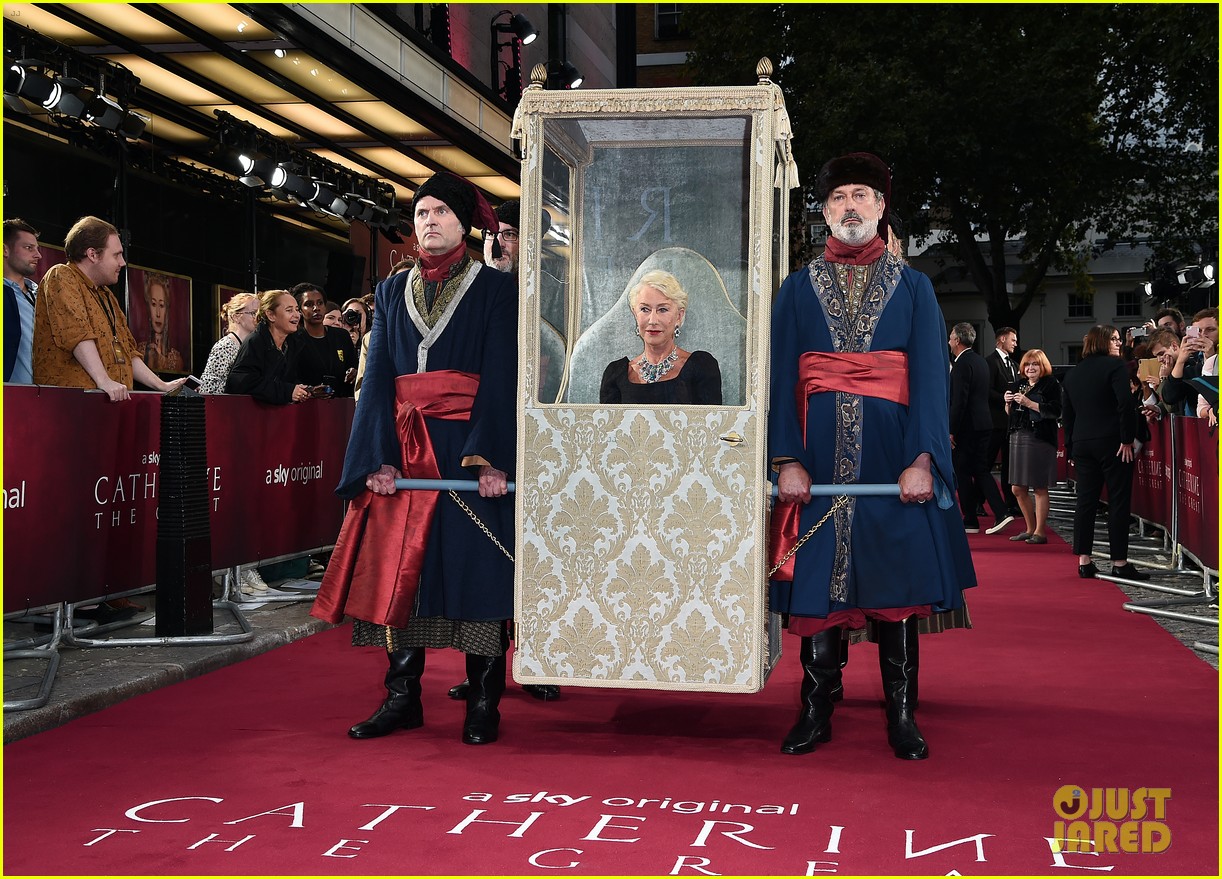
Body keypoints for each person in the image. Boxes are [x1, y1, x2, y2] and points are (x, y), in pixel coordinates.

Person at [768, 152, 976, 761]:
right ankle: (815, 709)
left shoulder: (915, 288)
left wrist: (922, 459)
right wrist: (787, 459)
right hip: (816, 465)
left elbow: (932, 380)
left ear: (881, 207)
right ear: (825, 210)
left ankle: (902, 714)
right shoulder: (795, 288)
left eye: (861, 195)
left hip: (894, 465)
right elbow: (779, 378)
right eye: (839, 197)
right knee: (818, 587)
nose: (850, 206)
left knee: (897, 585)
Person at [311, 170, 518, 746]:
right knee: (402, 571)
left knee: (478, 572)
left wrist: (492, 459)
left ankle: (484, 701)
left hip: (468, 453)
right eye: (422, 212)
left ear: (464, 223)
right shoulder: (388, 291)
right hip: (403, 456)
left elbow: (502, 376)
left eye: (441, 212)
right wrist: (376, 458)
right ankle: (402, 698)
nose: (429, 221)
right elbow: (377, 377)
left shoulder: (497, 289)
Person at [32, 215, 186, 402]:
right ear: (92, 254)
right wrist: (103, 380)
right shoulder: (61, 275)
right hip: (71, 405)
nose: (122, 262)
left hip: (107, 404)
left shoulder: (106, 295)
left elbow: (128, 351)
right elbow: (77, 335)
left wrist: (162, 385)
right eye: (116, 255)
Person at [1061, 325, 1149, 581]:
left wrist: (1070, 446)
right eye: (1114, 339)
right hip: (1113, 442)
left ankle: (1084, 561)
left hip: (1082, 443)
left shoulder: (1073, 373)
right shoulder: (1115, 366)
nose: (1119, 343)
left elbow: (1068, 414)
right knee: (1118, 500)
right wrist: (1126, 439)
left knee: (1085, 501)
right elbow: (1125, 403)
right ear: (1101, 341)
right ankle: (1119, 562)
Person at [599, 270, 723, 405]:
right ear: (635, 314)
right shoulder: (615, 375)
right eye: (645, 309)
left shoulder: (701, 367)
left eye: (663, 309)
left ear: (679, 316)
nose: (653, 320)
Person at [948, 322, 1015, 534]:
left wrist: (951, 430)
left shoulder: (961, 364)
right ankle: (1001, 511)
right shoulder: (980, 361)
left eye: (951, 337)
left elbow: (959, 401)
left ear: (958, 340)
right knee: (980, 469)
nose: (949, 341)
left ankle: (970, 519)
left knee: (962, 471)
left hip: (967, 427)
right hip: (985, 423)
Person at [1003, 349, 1062, 545]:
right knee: (1017, 488)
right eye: (1027, 364)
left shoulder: (1051, 384)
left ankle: (1040, 532)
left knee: (1039, 486)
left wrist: (1029, 403)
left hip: (1040, 439)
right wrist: (1008, 404)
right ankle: (1029, 529)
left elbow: (1056, 411)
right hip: (1018, 437)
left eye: (1035, 364)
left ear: (1042, 366)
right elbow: (1012, 414)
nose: (1030, 368)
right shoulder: (1019, 384)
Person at [224, 289, 314, 404]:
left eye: (297, 309)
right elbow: (241, 382)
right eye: (289, 310)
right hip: (246, 412)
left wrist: (303, 389)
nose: (297, 315)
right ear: (271, 315)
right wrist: (287, 391)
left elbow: (288, 379)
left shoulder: (293, 343)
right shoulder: (255, 341)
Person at [293, 282, 356, 396]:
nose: (316, 308)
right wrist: (310, 391)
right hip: (306, 403)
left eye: (320, 303)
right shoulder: (294, 339)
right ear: (300, 310)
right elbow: (291, 377)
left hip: (341, 401)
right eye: (309, 304)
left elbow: (354, 365)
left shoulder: (342, 336)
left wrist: (354, 372)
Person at [985, 326, 1022, 518]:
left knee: (1010, 465)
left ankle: (1011, 503)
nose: (1015, 343)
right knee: (986, 464)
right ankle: (977, 502)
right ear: (1001, 339)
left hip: (1011, 423)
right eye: (1012, 339)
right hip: (994, 422)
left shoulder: (1015, 365)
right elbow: (986, 390)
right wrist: (1002, 398)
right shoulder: (989, 362)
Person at [199, 292, 259, 395]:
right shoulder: (225, 346)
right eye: (253, 313)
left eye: (259, 314)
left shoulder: (255, 346)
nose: (258, 318)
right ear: (236, 317)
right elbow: (209, 388)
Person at [4, 218, 41, 383]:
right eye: (28, 248)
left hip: (50, 392)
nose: (38, 255)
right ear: (4, 250)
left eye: (37, 248)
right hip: (11, 394)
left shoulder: (42, 294)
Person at [139, 273, 185, 373]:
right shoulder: (139, 352)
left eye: (161, 305)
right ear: (148, 307)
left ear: (167, 309)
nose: (158, 314)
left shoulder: (176, 359)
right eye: (153, 304)